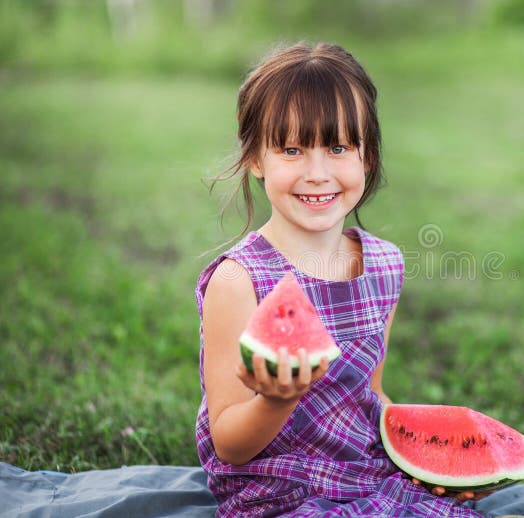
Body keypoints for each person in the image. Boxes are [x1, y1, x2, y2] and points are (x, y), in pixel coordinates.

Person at [193, 42, 491, 517]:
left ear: (367, 155)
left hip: (362, 471)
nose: (317, 173)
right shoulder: (238, 281)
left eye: (338, 148)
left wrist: (436, 461)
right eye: (292, 149)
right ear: (255, 157)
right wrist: (276, 399)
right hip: (278, 491)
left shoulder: (384, 265)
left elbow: (368, 395)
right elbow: (228, 444)